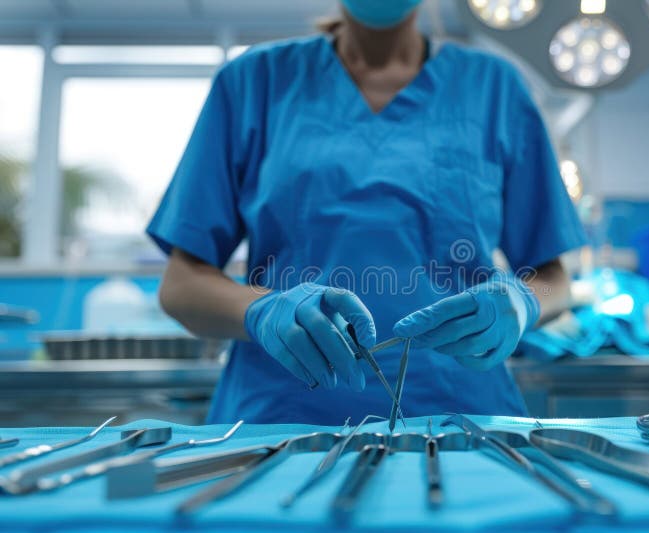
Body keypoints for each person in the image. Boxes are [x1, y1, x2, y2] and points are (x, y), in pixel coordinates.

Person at [148, 0, 586, 424]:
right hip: (282, 422)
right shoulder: (252, 83)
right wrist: (261, 311)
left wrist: (524, 300)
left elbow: (554, 281)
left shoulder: (494, 88)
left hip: (460, 420)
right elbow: (182, 285)